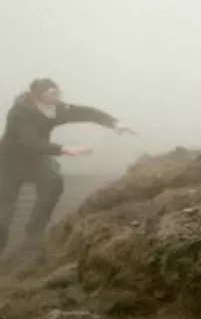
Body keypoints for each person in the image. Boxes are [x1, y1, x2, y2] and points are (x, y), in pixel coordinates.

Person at [0, 78, 133, 260]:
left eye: (57, 91)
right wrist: (63, 150)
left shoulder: (58, 109)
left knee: (53, 182)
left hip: (35, 160)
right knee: (5, 212)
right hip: (8, 163)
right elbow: (28, 141)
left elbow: (86, 112)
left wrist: (114, 123)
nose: (56, 95)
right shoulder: (20, 112)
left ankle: (34, 234)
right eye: (51, 92)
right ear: (37, 95)